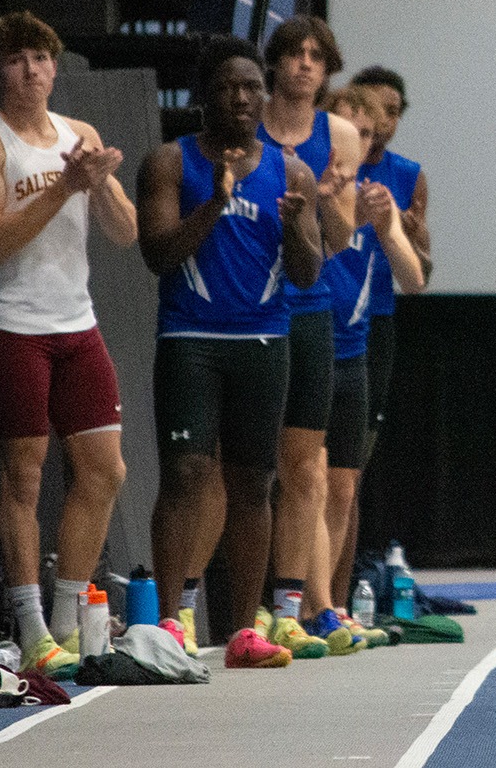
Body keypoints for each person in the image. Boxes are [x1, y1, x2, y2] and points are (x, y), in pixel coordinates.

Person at [0, 12, 138, 678]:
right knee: (25, 476)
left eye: (40, 58)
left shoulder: (79, 136)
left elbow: (125, 231)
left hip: (75, 320)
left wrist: (98, 184)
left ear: (56, 67)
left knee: (104, 470)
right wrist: (64, 186)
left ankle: (67, 617)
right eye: (16, 60)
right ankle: (32, 626)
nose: (31, 70)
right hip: (13, 323)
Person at [138, 40, 323, 668]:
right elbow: (158, 253)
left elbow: (305, 275)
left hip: (264, 342)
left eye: (252, 87)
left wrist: (298, 225)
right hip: (191, 338)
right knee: (187, 474)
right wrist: (214, 203)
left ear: (264, 96)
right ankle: (169, 621)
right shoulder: (169, 162)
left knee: (253, 483)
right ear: (204, 98)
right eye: (228, 88)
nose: (242, 99)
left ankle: (246, 631)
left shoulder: (292, 173)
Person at [303, 85, 425, 651]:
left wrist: (385, 225)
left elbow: (415, 276)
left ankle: (333, 602)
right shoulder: (307, 184)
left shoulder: (382, 193)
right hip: (304, 332)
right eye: (347, 135)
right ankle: (301, 603)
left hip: (357, 339)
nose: (355, 148)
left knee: (345, 485)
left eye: (369, 138)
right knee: (311, 474)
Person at [257, 17, 362, 660]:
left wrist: (320, 202)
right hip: (248, 304)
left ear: (327, 70)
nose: (303, 64)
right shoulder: (248, 124)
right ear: (274, 64)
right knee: (236, 466)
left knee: (305, 462)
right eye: (293, 54)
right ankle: (214, 609)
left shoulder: (339, 135)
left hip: (310, 306)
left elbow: (342, 239)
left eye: (316, 56)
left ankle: (297, 607)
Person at [340, 65, 432, 613]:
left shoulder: (408, 176)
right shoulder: (318, 170)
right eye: (371, 112)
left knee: (351, 468)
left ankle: (343, 589)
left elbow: (421, 269)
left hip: (374, 324)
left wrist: (413, 237)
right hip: (319, 319)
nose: (381, 123)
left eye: (392, 113)